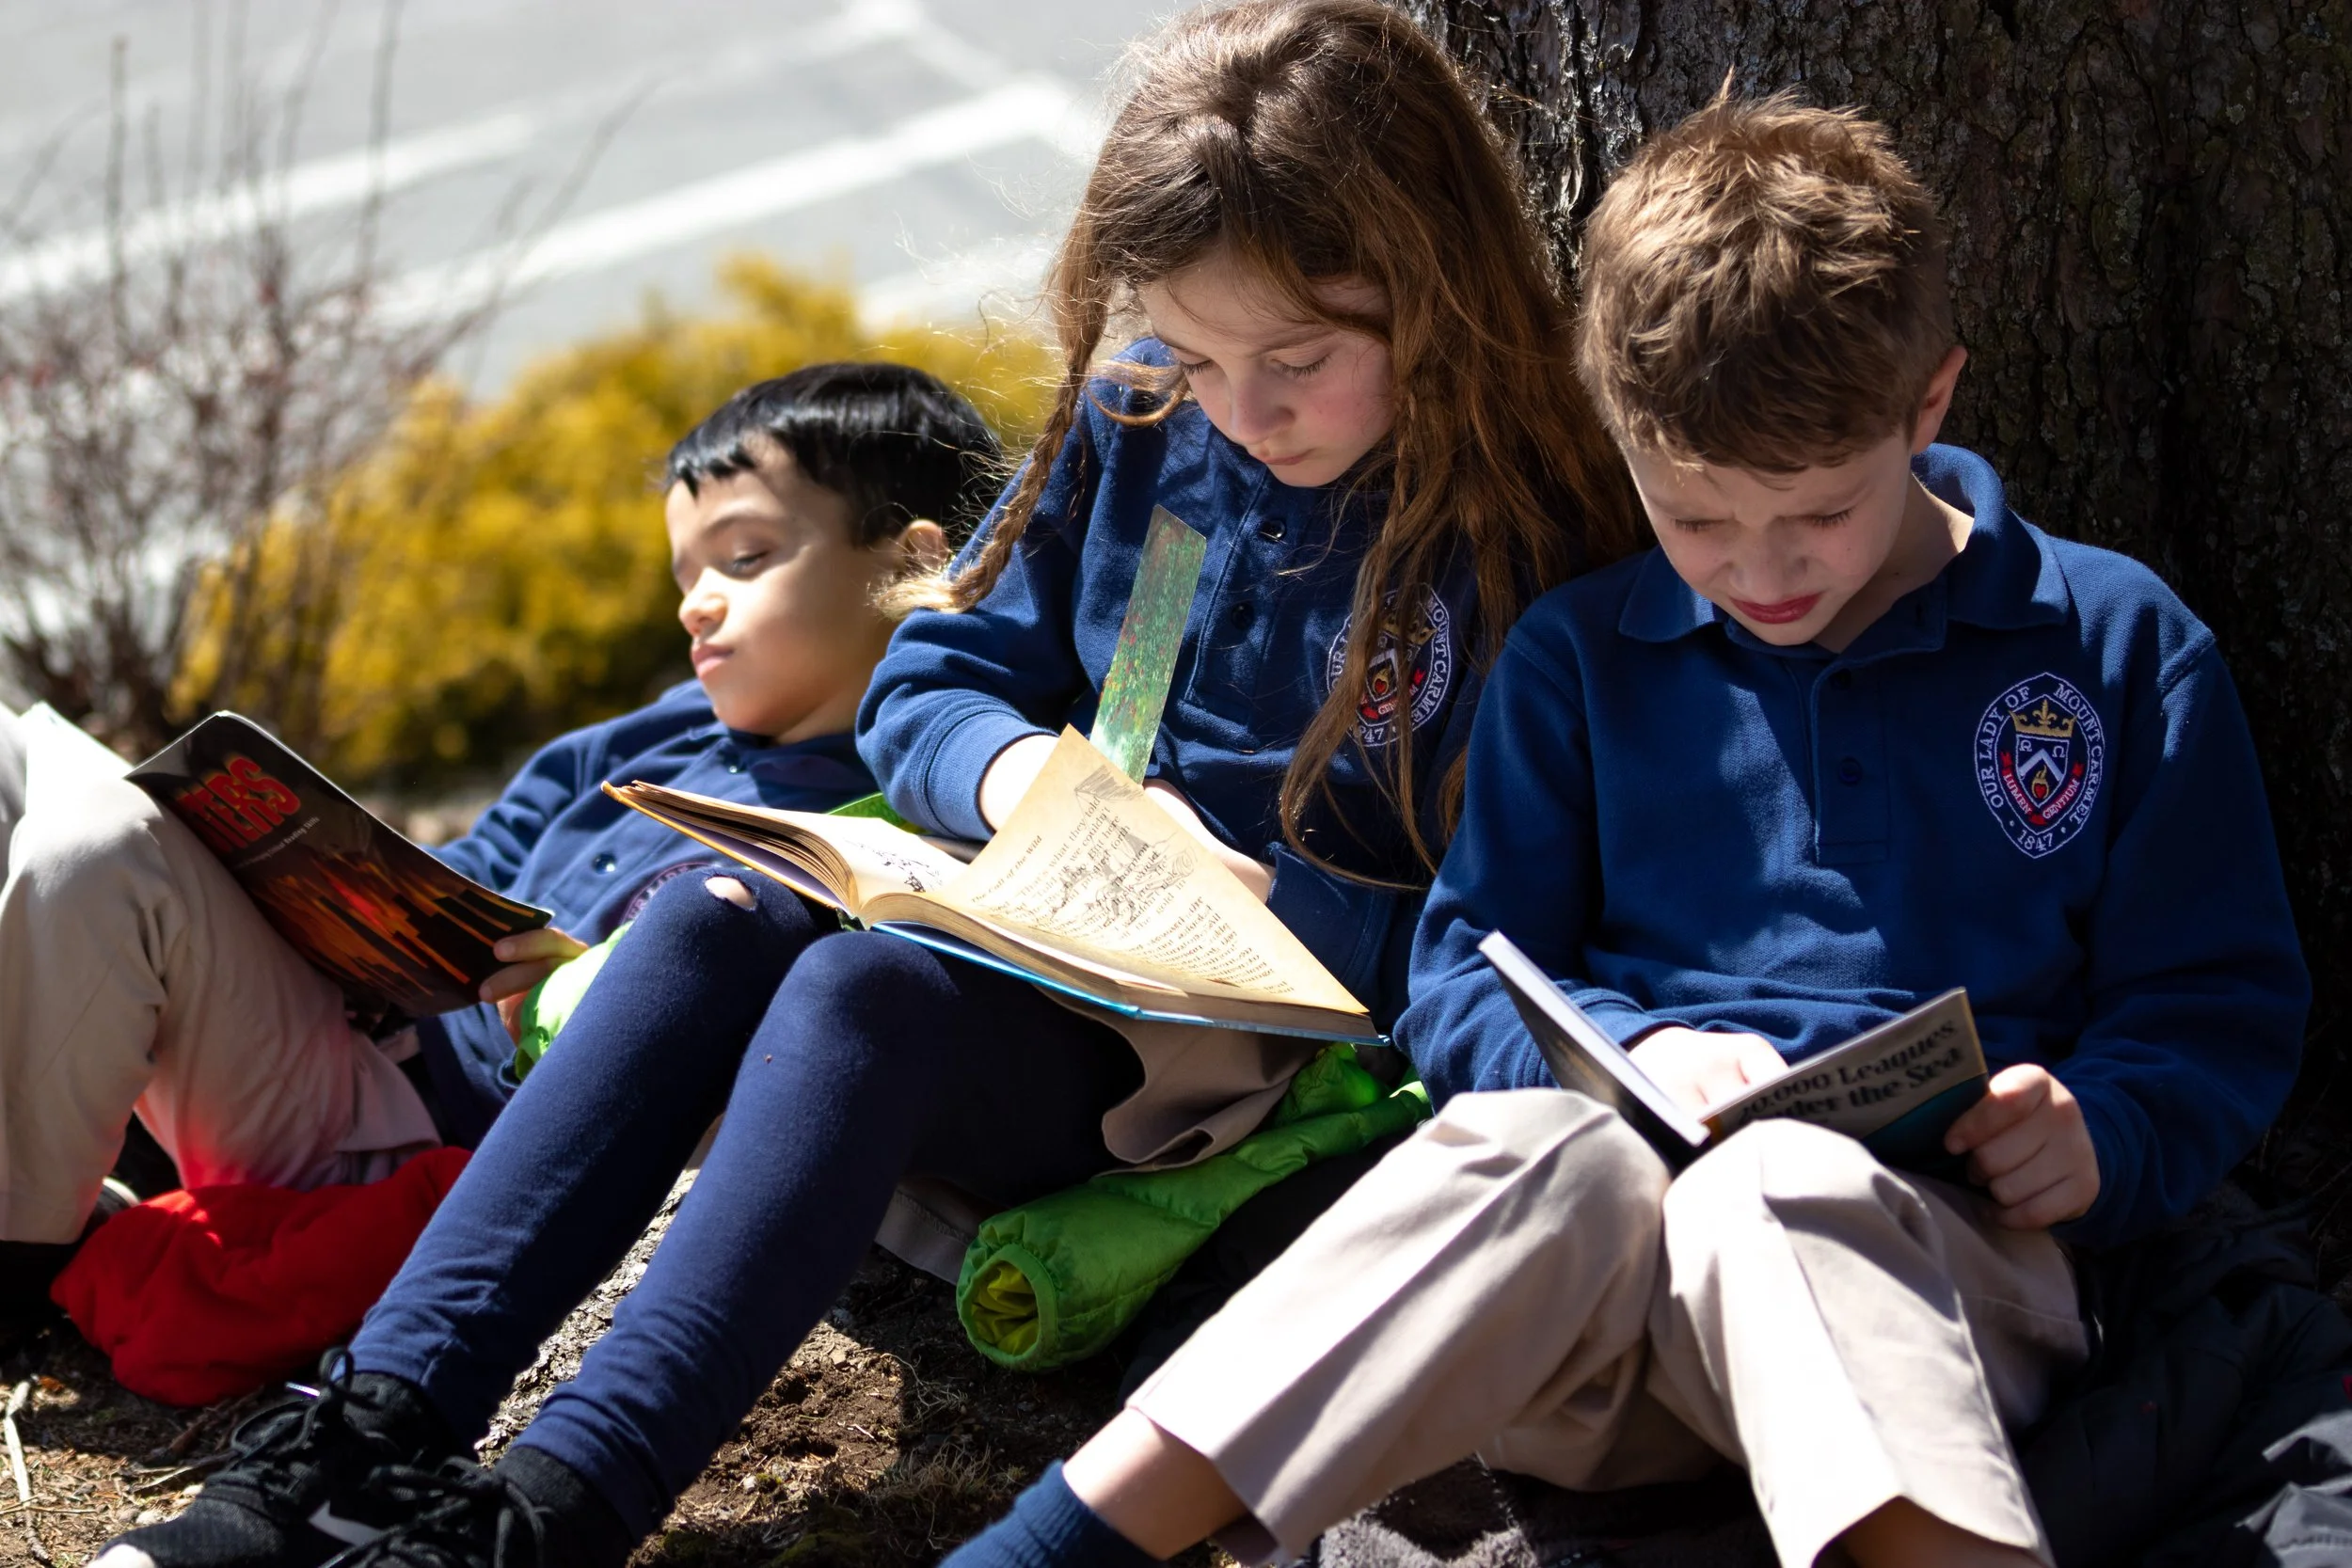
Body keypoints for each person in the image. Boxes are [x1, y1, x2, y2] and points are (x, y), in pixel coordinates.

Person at [90, 4, 1640, 1565]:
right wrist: (1031, 781)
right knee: (707, 923)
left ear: (1431, 284)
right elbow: (936, 676)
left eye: (1300, 359)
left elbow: (1496, 907)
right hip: (1033, 913)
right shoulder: (1146, 409)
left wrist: (1275, 907)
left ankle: (546, 1514)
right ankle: (359, 1433)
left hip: (1239, 1050)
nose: (1247, 408)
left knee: (857, 998)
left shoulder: (1514, 537)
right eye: (1199, 349)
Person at [939, 91, 2312, 1568]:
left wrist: (2101, 1127)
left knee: (1777, 1189)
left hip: (1966, 1300)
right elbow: (1463, 970)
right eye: (1697, 519)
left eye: (1822, 515)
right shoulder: (1587, 653)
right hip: (1614, 1332)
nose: (1763, 571)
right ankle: (1046, 1549)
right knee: (1531, 1153)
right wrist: (1632, 1057)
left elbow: (2216, 995)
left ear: (1930, 407)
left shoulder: (2109, 642)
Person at [0, 360, 991, 1302]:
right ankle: (102, 1091)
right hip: (340, 1028)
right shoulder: (646, 732)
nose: (695, 601)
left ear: (911, 560)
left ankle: (20, 1250)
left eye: (744, 558)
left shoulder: (896, 814)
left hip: (411, 1131)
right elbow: (460, 870)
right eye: (684, 571)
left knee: (100, 843)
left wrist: (590, 996)